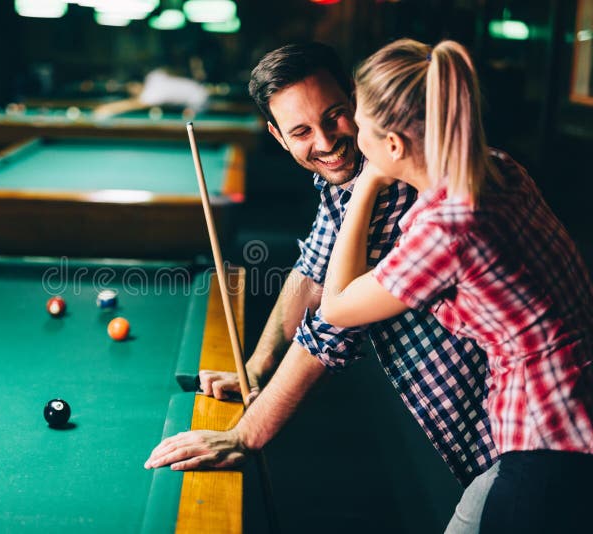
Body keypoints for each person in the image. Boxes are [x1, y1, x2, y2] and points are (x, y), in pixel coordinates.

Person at [145, 42, 498, 532]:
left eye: (334, 116)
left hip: (515, 429)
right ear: (278, 137)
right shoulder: (344, 181)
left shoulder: (392, 181)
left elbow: (331, 332)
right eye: (301, 131)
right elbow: (313, 269)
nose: (326, 141)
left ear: (358, 101)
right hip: (502, 430)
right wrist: (255, 366)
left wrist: (245, 435)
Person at [321, 38, 593, 532]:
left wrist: (365, 186)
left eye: (358, 122)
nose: (351, 131)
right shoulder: (498, 167)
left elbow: (335, 308)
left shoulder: (446, 228)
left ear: (394, 146)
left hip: (547, 437)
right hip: (577, 407)